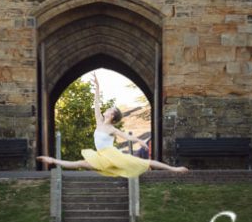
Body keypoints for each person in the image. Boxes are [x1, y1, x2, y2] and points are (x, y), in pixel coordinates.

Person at [38, 74, 187, 176]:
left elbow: (126, 137)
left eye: (110, 109)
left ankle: (174, 169)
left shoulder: (111, 129)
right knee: (81, 163)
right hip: (101, 157)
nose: (107, 109)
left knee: (145, 162)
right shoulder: (99, 123)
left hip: (112, 156)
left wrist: (140, 141)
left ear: (112, 115)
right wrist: (97, 87)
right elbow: (96, 103)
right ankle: (52, 160)